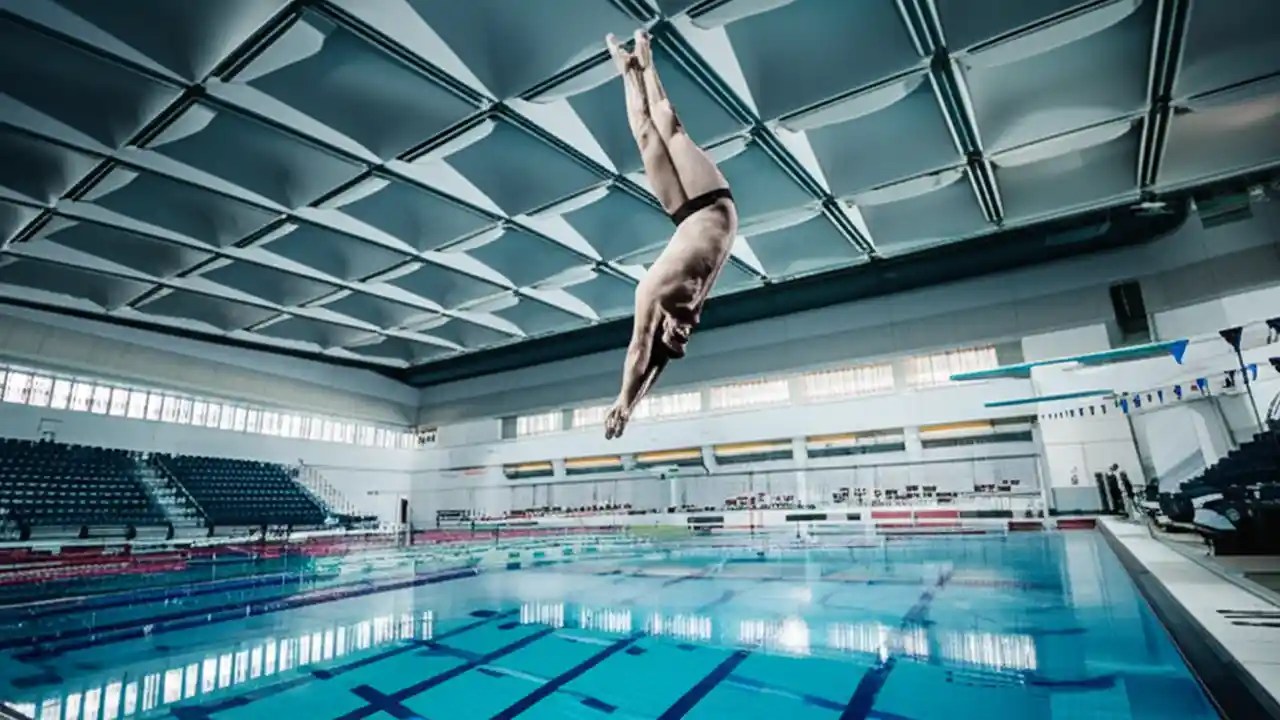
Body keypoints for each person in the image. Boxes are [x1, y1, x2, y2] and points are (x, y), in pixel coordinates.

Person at [602, 30, 739, 440]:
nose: (684, 333)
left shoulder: (651, 294)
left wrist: (623, 403)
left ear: (663, 327)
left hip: (686, 214)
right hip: (716, 206)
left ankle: (631, 69)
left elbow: (642, 355)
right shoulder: (690, 311)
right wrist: (633, 405)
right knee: (667, 127)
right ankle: (644, 59)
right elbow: (661, 362)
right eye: (686, 338)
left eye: (675, 336)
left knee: (652, 132)